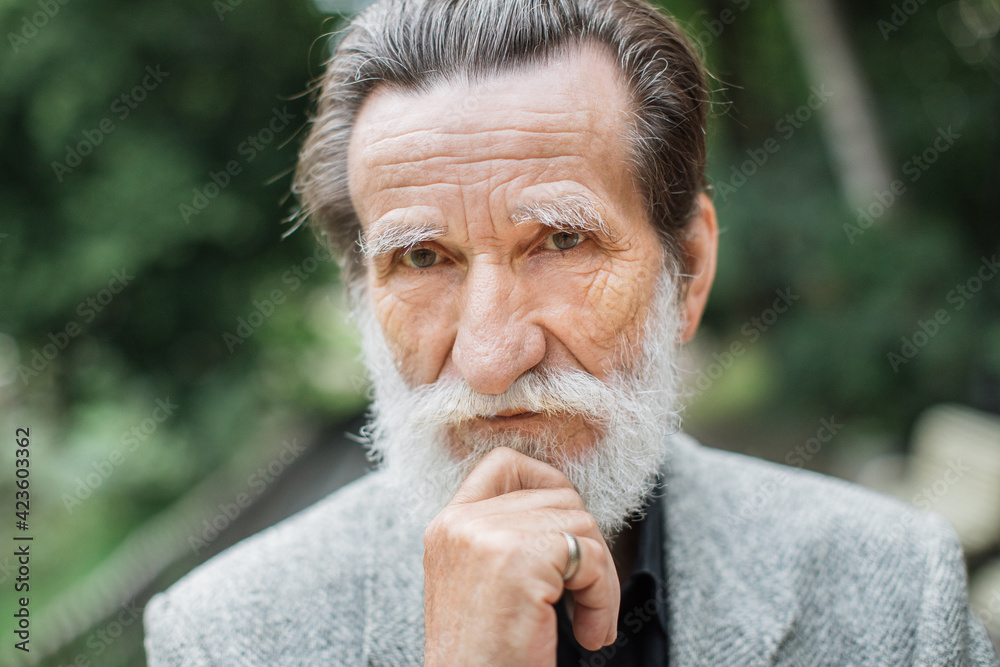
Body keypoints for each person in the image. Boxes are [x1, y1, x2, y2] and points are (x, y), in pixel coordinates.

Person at [143, 0, 999, 664]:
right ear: (363, 292)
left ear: (689, 271)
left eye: (561, 240)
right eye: (422, 257)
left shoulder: (891, 591)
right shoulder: (224, 636)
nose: (489, 358)